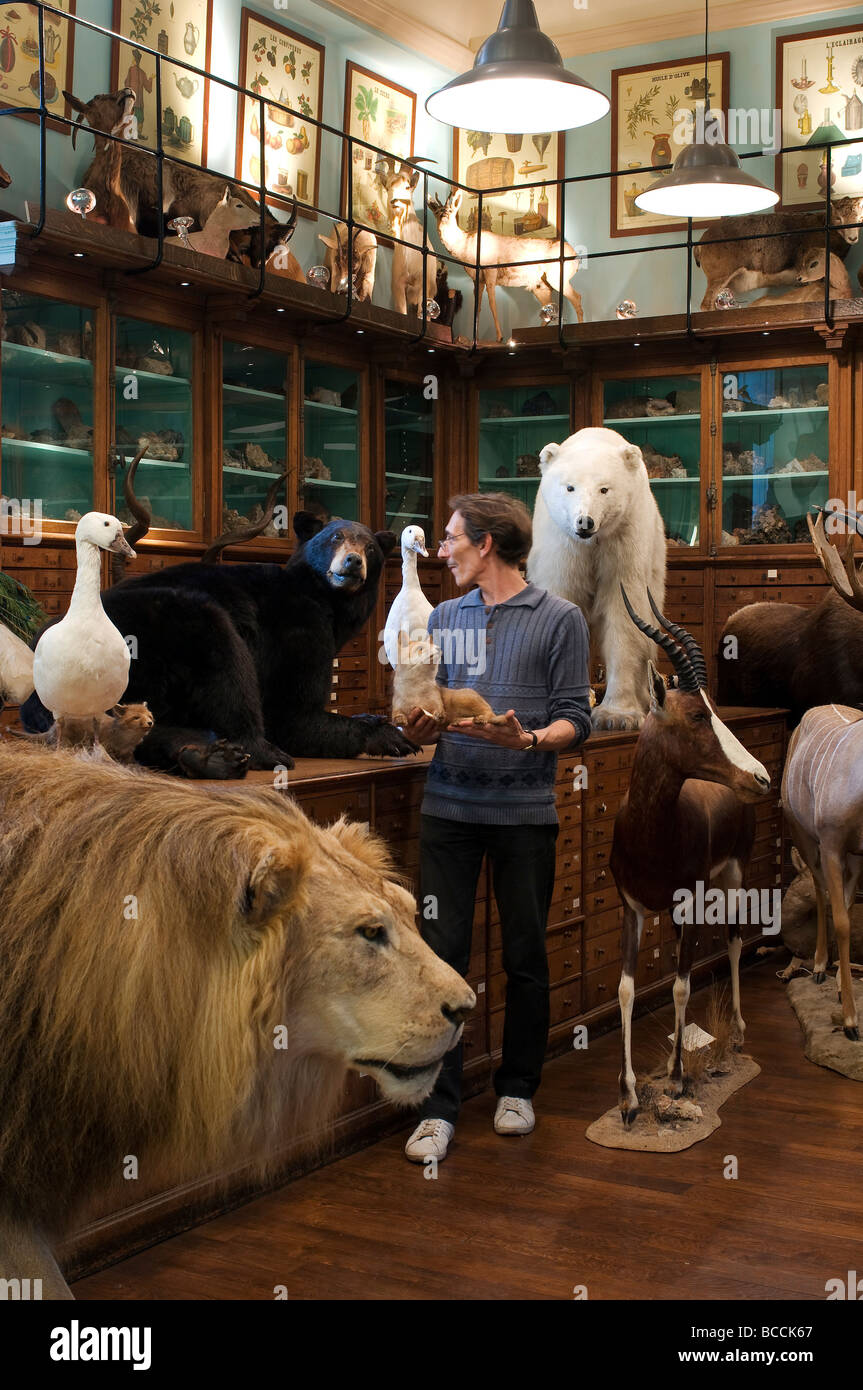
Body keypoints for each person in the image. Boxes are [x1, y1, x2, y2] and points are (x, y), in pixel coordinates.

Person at [401, 493, 592, 1163]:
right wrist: (418, 724)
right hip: (447, 810)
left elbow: (578, 717)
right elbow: (427, 702)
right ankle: (437, 1108)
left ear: (485, 545)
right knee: (438, 957)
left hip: (523, 817)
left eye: (451, 538)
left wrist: (533, 739)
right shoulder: (445, 616)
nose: (441, 549)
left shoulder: (559, 619)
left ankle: (516, 1088)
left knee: (524, 958)